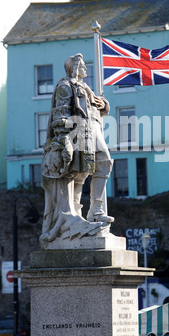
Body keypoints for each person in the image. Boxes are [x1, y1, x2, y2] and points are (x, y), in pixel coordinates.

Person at [40, 53, 113, 248]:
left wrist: (104, 104)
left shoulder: (85, 87)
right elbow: (60, 113)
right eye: (82, 66)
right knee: (78, 173)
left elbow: (99, 107)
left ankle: (96, 210)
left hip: (94, 128)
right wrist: (65, 138)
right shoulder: (65, 86)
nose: (85, 69)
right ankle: (74, 215)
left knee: (104, 162)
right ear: (72, 67)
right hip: (78, 131)